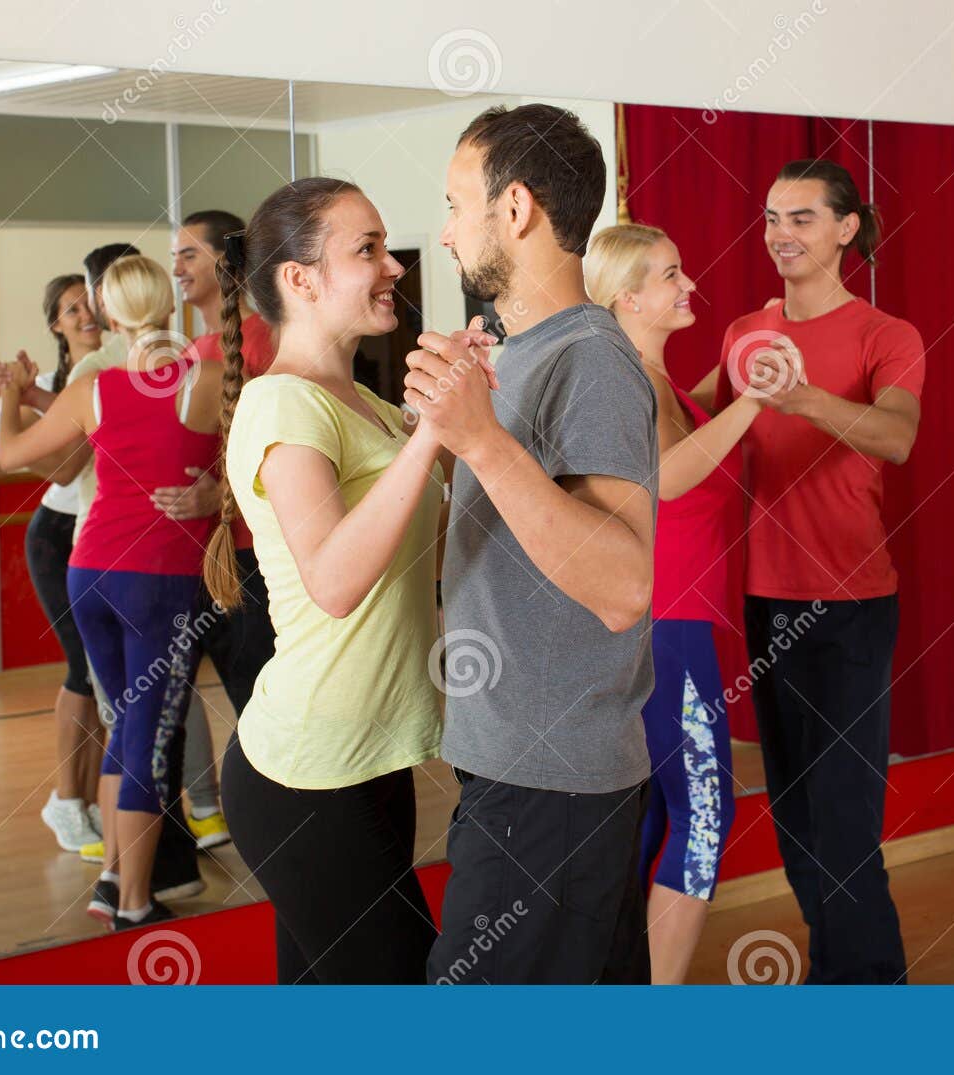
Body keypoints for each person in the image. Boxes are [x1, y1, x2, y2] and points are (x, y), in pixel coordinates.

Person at [414, 103, 657, 985]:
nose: (443, 234)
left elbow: (625, 583)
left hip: (551, 786)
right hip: (525, 772)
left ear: (513, 209)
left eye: (454, 204)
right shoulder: (521, 354)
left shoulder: (590, 357)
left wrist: (480, 441)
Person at [206, 177, 466, 984]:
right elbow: (335, 581)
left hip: (372, 758)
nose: (394, 266)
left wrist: (455, 425)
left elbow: (426, 555)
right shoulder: (283, 404)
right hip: (304, 775)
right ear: (300, 279)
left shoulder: (376, 410)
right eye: (369, 250)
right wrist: (433, 440)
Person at [693, 158, 922, 984]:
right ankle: (851, 974)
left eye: (800, 218)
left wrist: (803, 398)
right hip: (762, 597)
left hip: (852, 603)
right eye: (770, 219)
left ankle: (864, 986)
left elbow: (896, 436)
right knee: (792, 811)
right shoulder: (743, 332)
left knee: (844, 815)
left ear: (845, 228)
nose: (780, 235)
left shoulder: (884, 335)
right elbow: (690, 421)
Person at [585, 223, 798, 982]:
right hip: (666, 630)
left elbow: (693, 421)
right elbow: (668, 476)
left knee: (652, 815)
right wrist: (757, 403)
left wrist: (753, 342)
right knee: (704, 817)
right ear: (628, 296)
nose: (689, 286)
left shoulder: (654, 378)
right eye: (671, 275)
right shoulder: (628, 383)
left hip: (669, 625)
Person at [0, 254, 223, 930]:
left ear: (109, 316)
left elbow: (8, 455)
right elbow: (253, 459)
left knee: (126, 723)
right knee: (151, 736)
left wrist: (9, 392)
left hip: (89, 571)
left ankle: (113, 876)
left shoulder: (93, 389)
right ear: (168, 307)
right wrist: (214, 493)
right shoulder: (201, 377)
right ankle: (133, 905)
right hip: (160, 581)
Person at [0, 274, 105, 852]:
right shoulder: (54, 386)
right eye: (71, 309)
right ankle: (67, 801)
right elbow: (42, 468)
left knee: (102, 679)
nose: (86, 314)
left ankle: (82, 802)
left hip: (104, 533)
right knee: (84, 672)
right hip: (60, 535)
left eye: (90, 303)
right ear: (55, 324)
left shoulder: (111, 374)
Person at [167, 208, 283, 850]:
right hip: (207, 560)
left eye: (188, 254)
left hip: (260, 558)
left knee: (262, 698)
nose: (177, 268)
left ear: (224, 262)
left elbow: (282, 445)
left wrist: (222, 492)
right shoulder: (193, 352)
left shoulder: (265, 340)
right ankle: (246, 821)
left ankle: (280, 823)